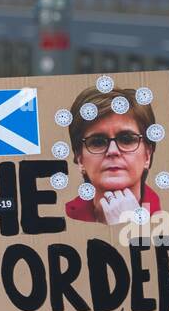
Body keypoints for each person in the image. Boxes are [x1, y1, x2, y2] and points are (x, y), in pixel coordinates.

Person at [64, 85, 162, 224]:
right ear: (80, 159)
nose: (112, 151)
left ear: (148, 155)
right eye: (97, 142)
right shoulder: (60, 222)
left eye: (127, 139)